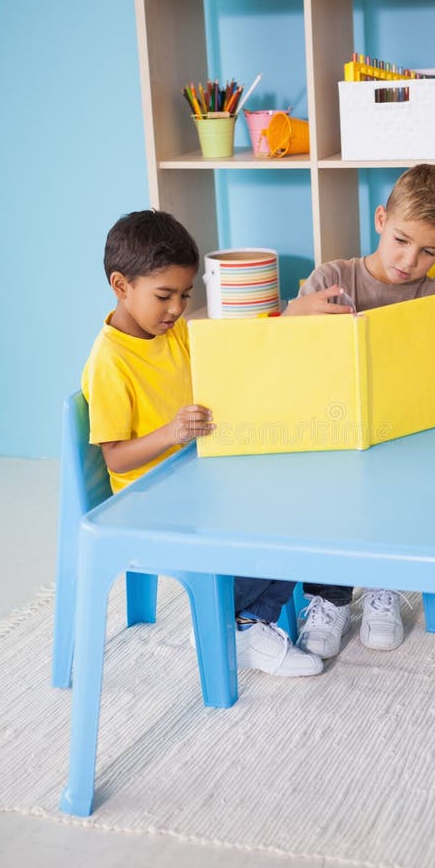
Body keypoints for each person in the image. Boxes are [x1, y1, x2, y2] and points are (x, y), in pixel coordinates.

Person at [82, 209, 322, 678]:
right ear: (121, 285)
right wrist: (172, 432)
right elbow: (115, 456)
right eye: (164, 295)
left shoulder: (170, 333)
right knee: (260, 518)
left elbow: (227, 356)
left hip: (194, 473)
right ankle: (228, 622)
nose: (176, 308)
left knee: (297, 500)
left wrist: (289, 317)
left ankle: (241, 617)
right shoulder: (109, 360)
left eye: (186, 295)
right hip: (147, 498)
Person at [284, 164, 435, 660]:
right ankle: (330, 596)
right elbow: (284, 353)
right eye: (402, 240)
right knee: (324, 487)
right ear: (381, 219)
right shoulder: (331, 279)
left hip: (399, 431)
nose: (410, 260)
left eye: (429, 251)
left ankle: (386, 583)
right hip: (330, 424)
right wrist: (295, 313)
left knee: (406, 477)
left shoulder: (432, 296)